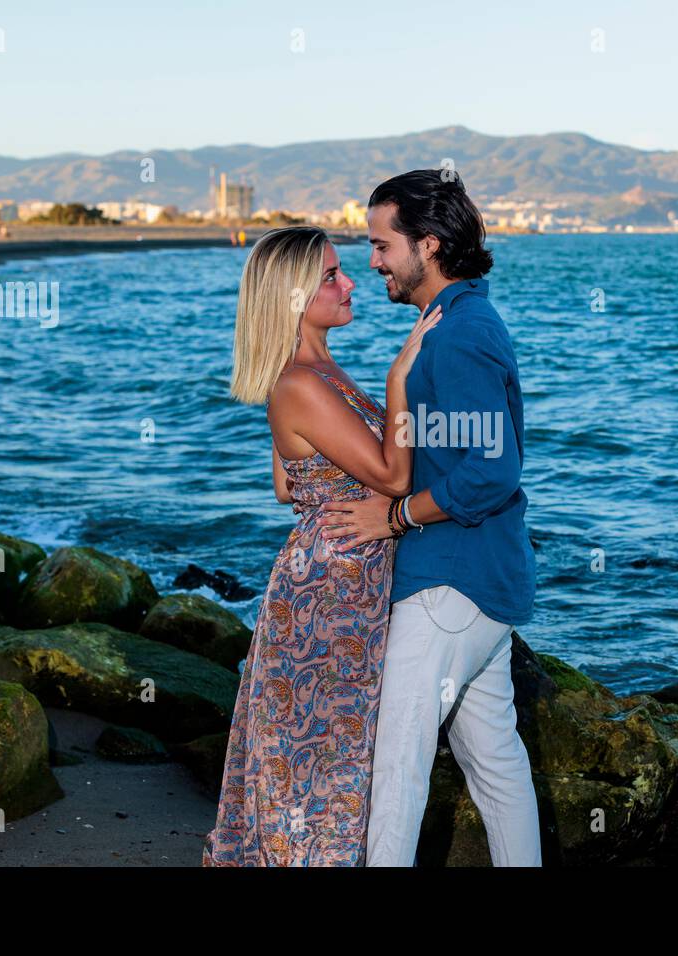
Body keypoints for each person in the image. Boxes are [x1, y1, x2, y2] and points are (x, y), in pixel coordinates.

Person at [318, 170, 540, 866]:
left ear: (430, 244)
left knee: (397, 764)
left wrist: (398, 516)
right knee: (496, 763)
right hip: (476, 577)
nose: (373, 262)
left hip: (450, 583)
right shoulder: (452, 320)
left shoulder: (458, 335)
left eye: (382, 246)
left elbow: (492, 469)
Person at [202, 225, 441, 866]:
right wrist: (401, 377)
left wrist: (333, 492)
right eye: (331, 275)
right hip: (330, 592)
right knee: (320, 760)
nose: (350, 282)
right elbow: (392, 475)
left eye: (342, 270)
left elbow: (286, 485)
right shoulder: (302, 383)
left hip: (332, 577)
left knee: (325, 750)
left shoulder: (312, 372)